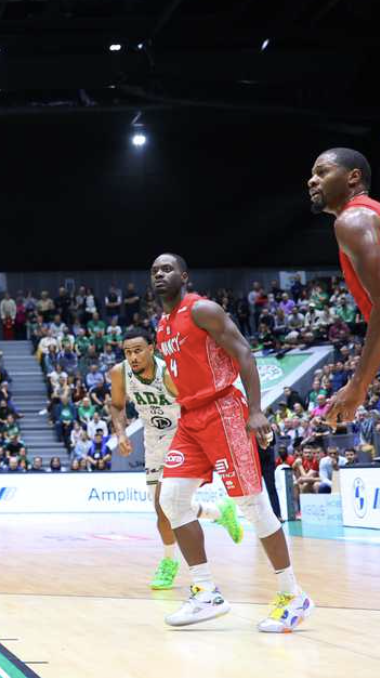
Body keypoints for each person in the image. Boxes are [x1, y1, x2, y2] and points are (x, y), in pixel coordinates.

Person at [151, 254, 312, 632]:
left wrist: (255, 410)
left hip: (223, 410)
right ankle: (206, 591)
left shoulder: (203, 309)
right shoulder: (162, 325)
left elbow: (242, 351)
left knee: (252, 504)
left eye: (167, 269)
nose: (159, 274)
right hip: (190, 417)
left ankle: (293, 594)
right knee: (171, 498)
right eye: (154, 270)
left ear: (184, 276)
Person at [106, 328, 242, 591]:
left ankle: (169, 563)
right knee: (166, 506)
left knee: (162, 505)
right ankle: (217, 512)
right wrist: (121, 432)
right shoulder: (119, 373)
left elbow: (195, 404)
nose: (132, 357)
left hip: (183, 435)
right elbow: (117, 405)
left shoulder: (168, 374)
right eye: (128, 352)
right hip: (153, 439)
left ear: (152, 349)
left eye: (138, 351)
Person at [308, 149, 380, 429]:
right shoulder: (370, 214)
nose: (312, 181)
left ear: (353, 177)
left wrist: (358, 385)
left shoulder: (353, 219)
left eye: (322, 172)